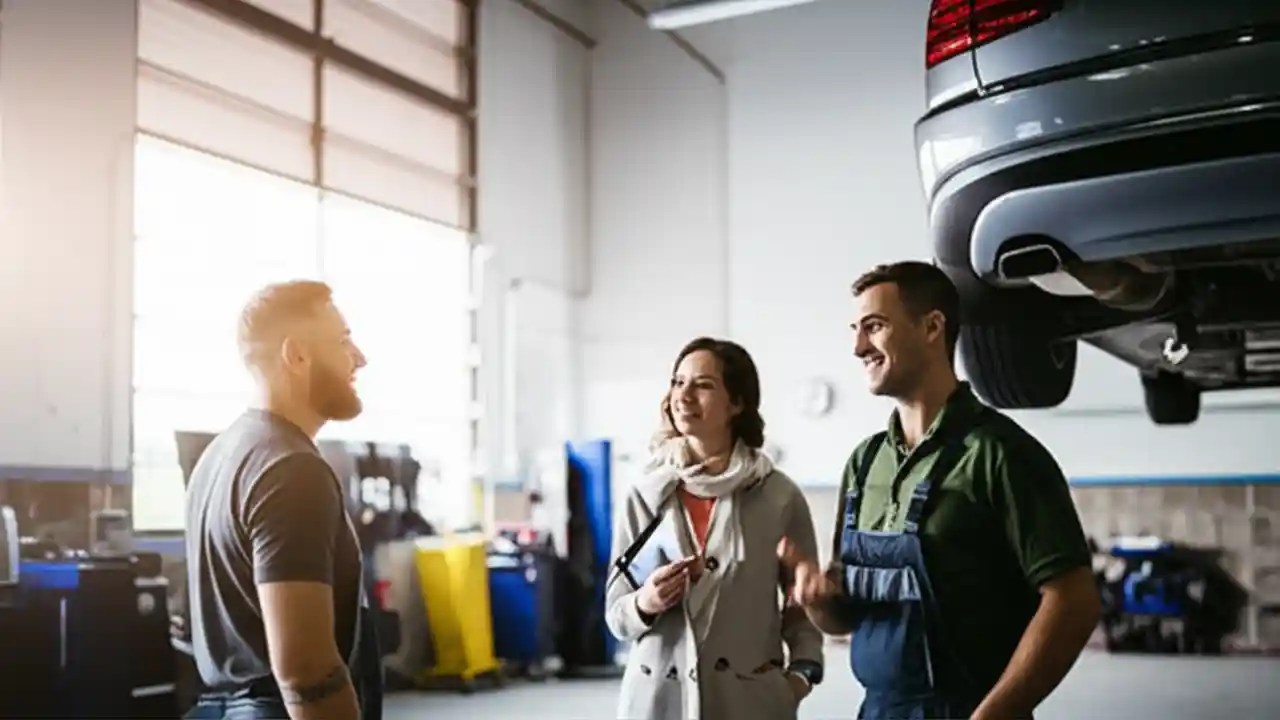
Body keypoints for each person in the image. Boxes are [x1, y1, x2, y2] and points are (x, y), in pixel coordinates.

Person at [779, 262, 1102, 720]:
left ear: (932, 327)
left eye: (874, 327)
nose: (857, 347)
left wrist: (994, 715)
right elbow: (848, 617)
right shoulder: (865, 463)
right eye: (855, 329)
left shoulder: (1000, 454)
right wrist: (816, 601)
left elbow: (1074, 601)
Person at [184, 280, 380, 720]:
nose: (360, 358)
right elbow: (306, 670)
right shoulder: (292, 470)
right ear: (297, 355)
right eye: (344, 341)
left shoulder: (219, 456)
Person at [606, 338, 824, 720]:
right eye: (678, 382)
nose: (684, 395)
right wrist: (647, 602)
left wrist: (801, 676)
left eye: (703, 385)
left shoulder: (779, 496)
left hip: (749, 703)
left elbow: (800, 606)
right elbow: (615, 614)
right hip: (657, 702)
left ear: (736, 403)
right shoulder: (646, 493)